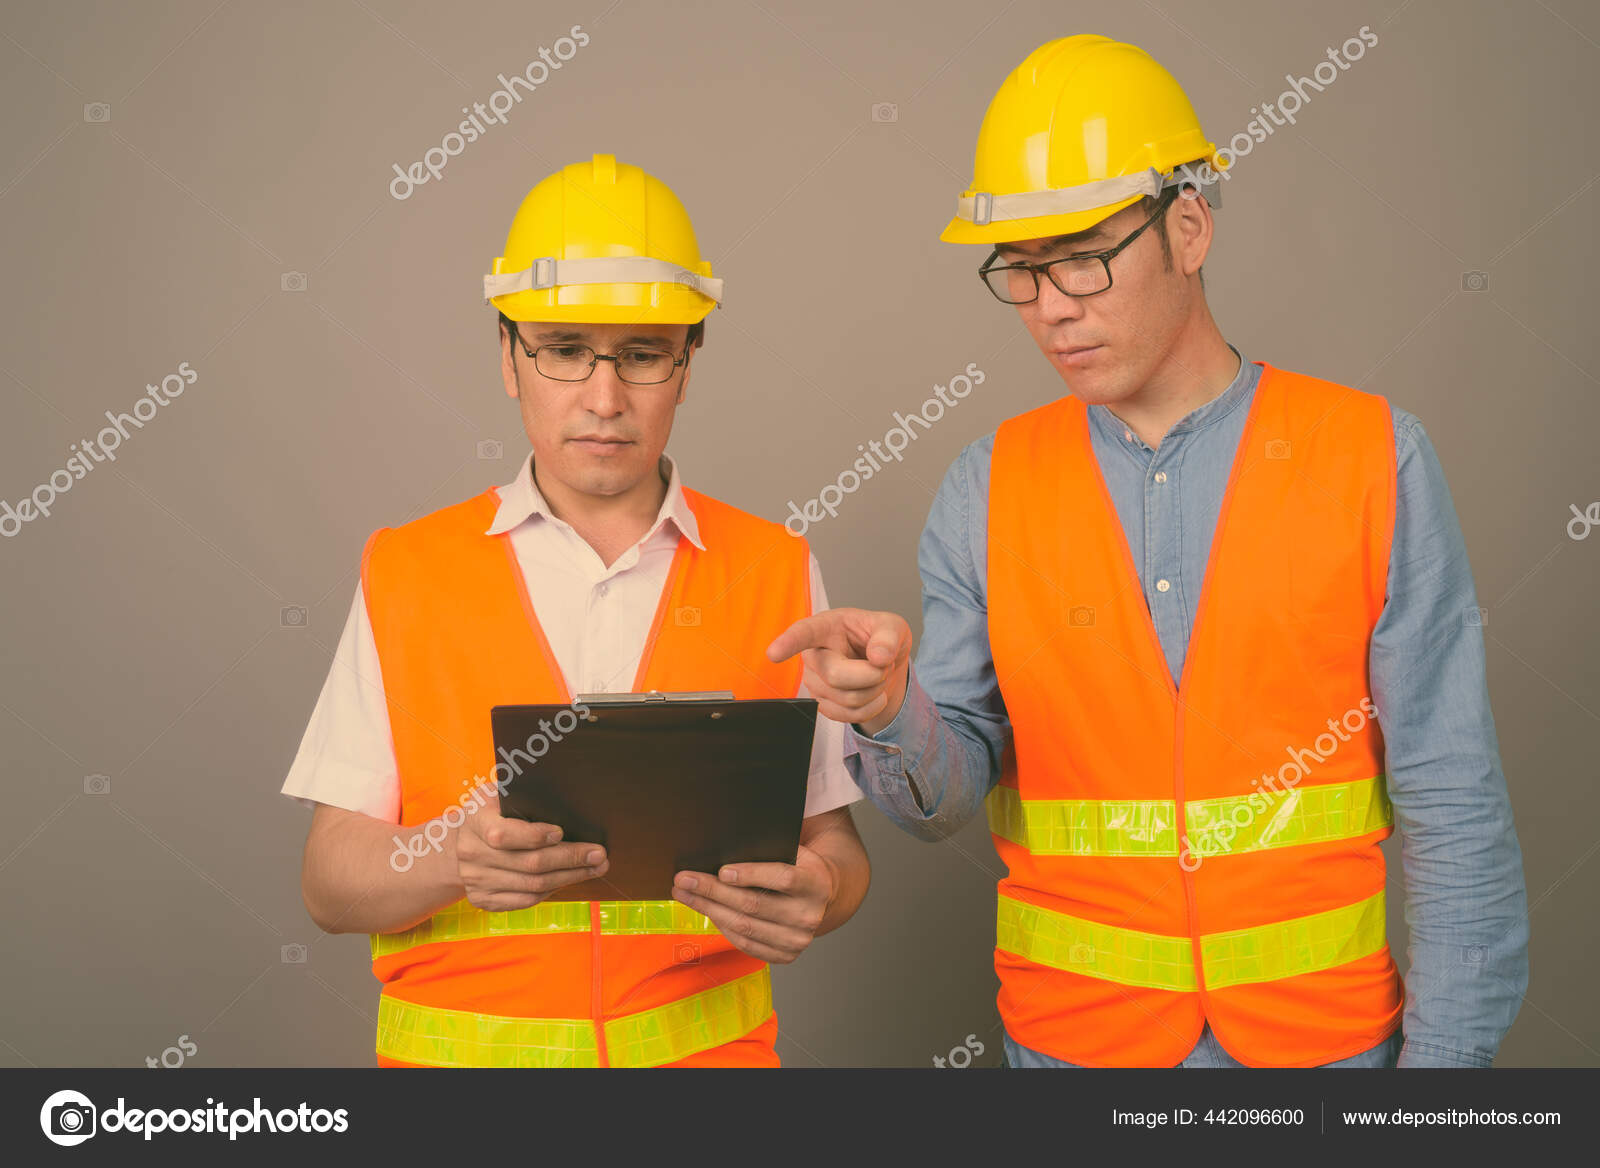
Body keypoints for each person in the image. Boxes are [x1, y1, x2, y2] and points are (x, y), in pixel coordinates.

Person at [769, 35, 1528, 1068]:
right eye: (1021, 272)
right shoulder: (988, 484)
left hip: (1328, 1053)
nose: (1049, 305)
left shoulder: (1372, 456)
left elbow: (1452, 796)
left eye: (1081, 257)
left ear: (1188, 227)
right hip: (1074, 1053)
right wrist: (888, 709)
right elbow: (939, 806)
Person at [285, 153, 869, 1068]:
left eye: (641, 354)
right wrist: (452, 861)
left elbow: (833, 847)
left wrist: (822, 893)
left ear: (687, 362)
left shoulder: (774, 569)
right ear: (510, 359)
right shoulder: (408, 569)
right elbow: (329, 884)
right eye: (564, 351)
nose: (605, 398)